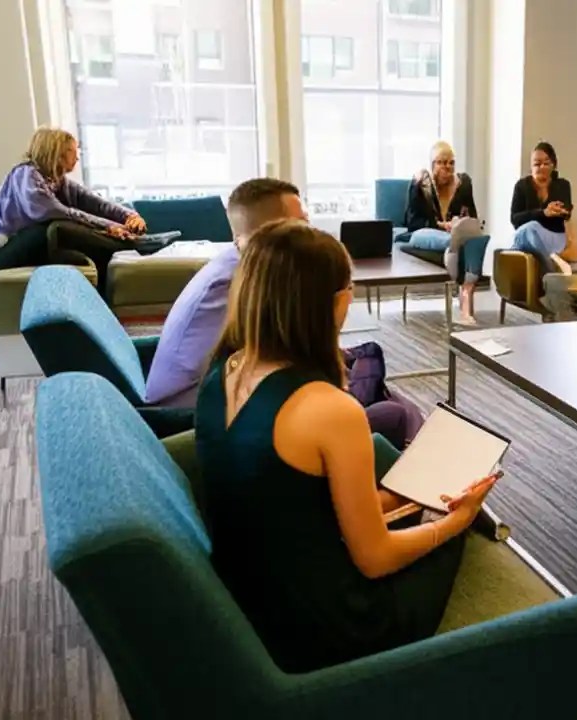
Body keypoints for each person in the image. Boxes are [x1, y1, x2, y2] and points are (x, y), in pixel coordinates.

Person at [194, 219, 496, 671]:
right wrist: (454, 523)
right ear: (336, 301)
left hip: (252, 592)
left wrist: (405, 495)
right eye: (350, 285)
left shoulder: (226, 369)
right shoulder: (329, 409)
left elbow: (295, 500)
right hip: (329, 626)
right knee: (460, 537)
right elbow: (375, 559)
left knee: (420, 506)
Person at [145, 178, 423, 447]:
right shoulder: (242, 283)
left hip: (227, 400)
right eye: (302, 224)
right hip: (193, 413)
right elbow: (278, 364)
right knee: (396, 411)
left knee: (376, 376)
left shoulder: (241, 267)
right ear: (276, 231)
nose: (311, 233)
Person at [0, 127, 146, 294]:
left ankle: (105, 301)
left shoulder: (58, 181)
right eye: (71, 150)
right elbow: (54, 212)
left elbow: (97, 203)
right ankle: (136, 244)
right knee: (60, 227)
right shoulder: (25, 174)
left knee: (87, 243)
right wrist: (109, 227)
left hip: (40, 244)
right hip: (6, 253)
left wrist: (130, 216)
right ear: (55, 152)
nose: (76, 157)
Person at [405, 141, 489, 324]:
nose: (448, 167)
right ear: (432, 164)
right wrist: (443, 225)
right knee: (458, 240)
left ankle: (466, 292)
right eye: (442, 162)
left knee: (477, 239)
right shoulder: (421, 183)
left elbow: (472, 218)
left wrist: (460, 222)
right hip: (423, 234)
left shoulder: (463, 184)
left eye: (451, 162)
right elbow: (412, 223)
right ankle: (464, 299)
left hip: (455, 234)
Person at [509, 141, 577, 277]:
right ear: (531, 166)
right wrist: (543, 213)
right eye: (537, 163)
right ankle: (551, 269)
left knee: (520, 240)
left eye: (546, 163)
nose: (542, 167)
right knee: (528, 230)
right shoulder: (522, 186)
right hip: (530, 236)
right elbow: (515, 219)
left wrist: (561, 212)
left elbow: (566, 213)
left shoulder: (562, 185)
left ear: (553, 165)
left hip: (555, 237)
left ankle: (546, 273)